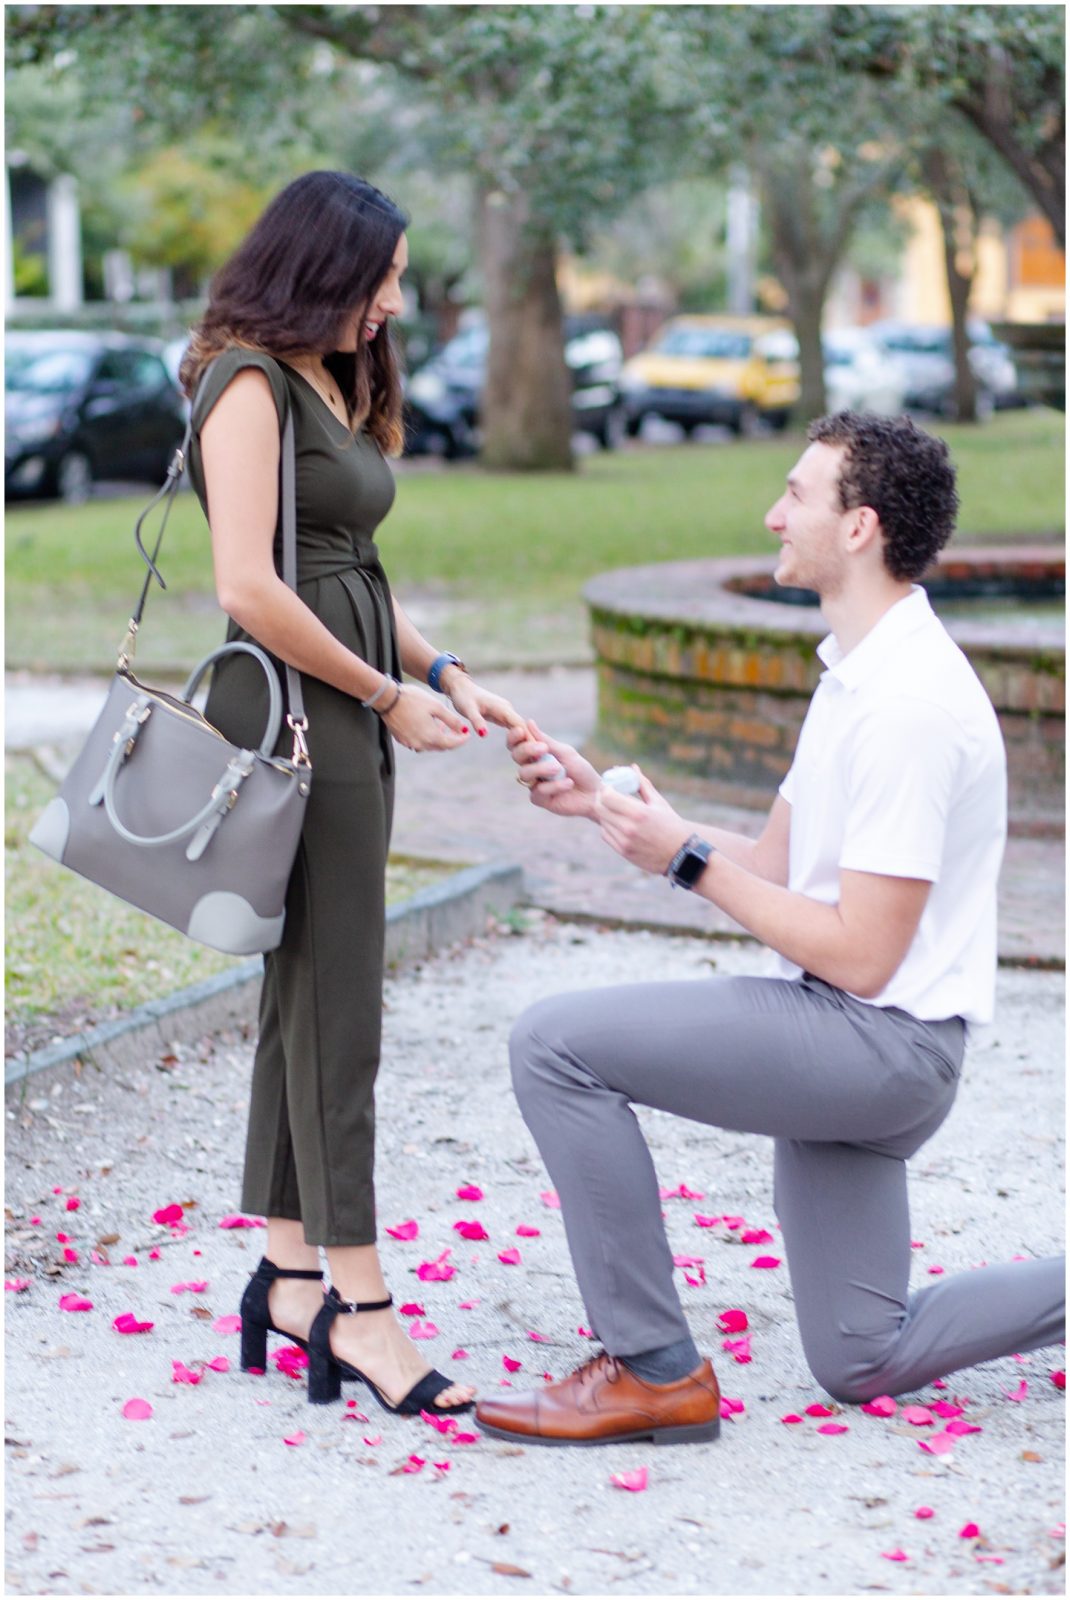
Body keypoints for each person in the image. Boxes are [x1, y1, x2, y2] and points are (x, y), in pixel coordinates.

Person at [477, 411, 1065, 1447]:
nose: (770, 513)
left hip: (875, 1042)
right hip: (871, 1043)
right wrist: (611, 808)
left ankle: (651, 1370)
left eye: (794, 493)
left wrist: (681, 860)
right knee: (861, 1354)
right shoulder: (857, 672)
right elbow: (779, 869)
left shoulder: (907, 706)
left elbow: (858, 951)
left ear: (858, 528)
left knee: (553, 1045)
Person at [181, 171, 521, 1417]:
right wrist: (383, 697)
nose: (392, 301)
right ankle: (361, 1307)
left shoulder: (329, 379)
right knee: (338, 1010)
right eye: (379, 278)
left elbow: (343, 563)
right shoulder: (247, 383)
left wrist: (436, 668)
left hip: (349, 712)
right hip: (299, 725)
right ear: (320, 269)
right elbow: (248, 587)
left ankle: (282, 1275)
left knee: (302, 995)